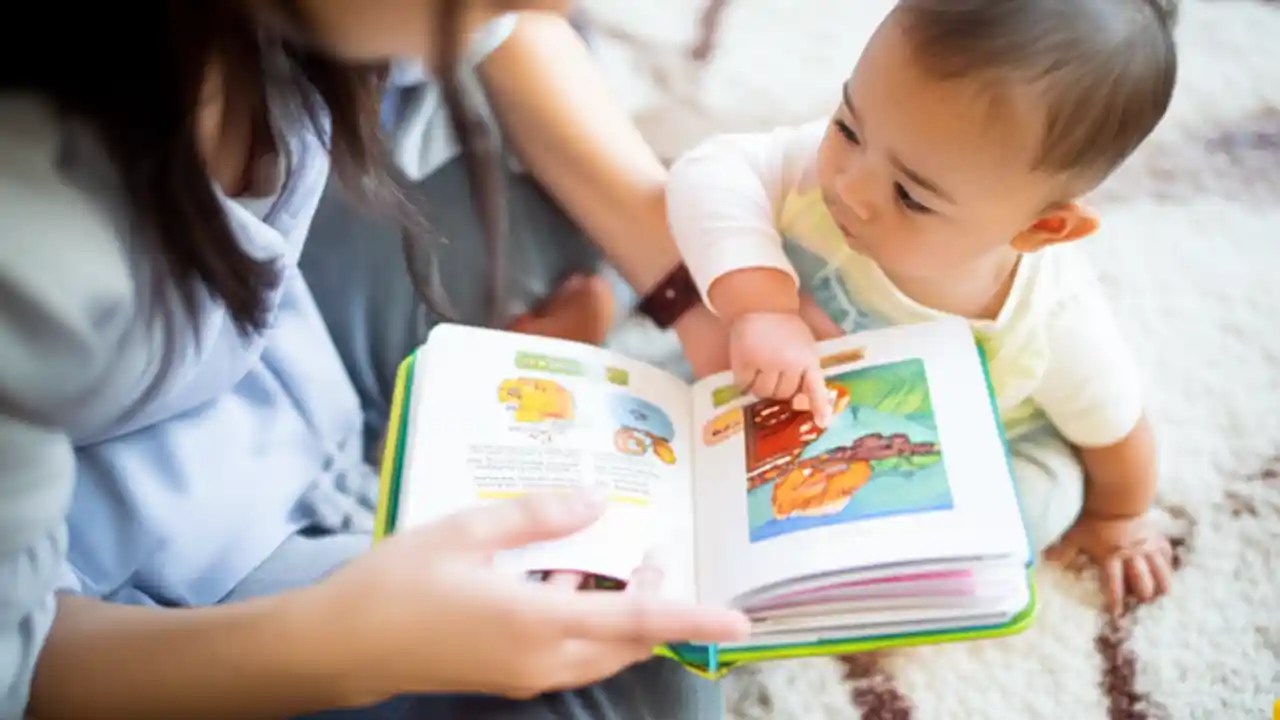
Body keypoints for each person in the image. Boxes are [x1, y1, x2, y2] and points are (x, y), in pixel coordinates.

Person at [0, 1, 793, 718]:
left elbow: (513, 39)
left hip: (273, 358)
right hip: (161, 588)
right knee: (628, 674)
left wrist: (695, 293)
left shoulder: (240, 33)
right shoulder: (31, 241)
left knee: (574, 210)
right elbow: (25, 671)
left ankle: (489, 378)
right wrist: (353, 650)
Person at [665, 0, 1179, 617]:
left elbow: (1117, 431)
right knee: (674, 387)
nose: (850, 187)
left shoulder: (1051, 321)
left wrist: (1118, 517)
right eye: (849, 127)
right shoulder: (832, 168)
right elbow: (707, 171)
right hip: (791, 381)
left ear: (1042, 226)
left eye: (910, 196)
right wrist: (762, 306)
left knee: (1039, 501)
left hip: (957, 443)